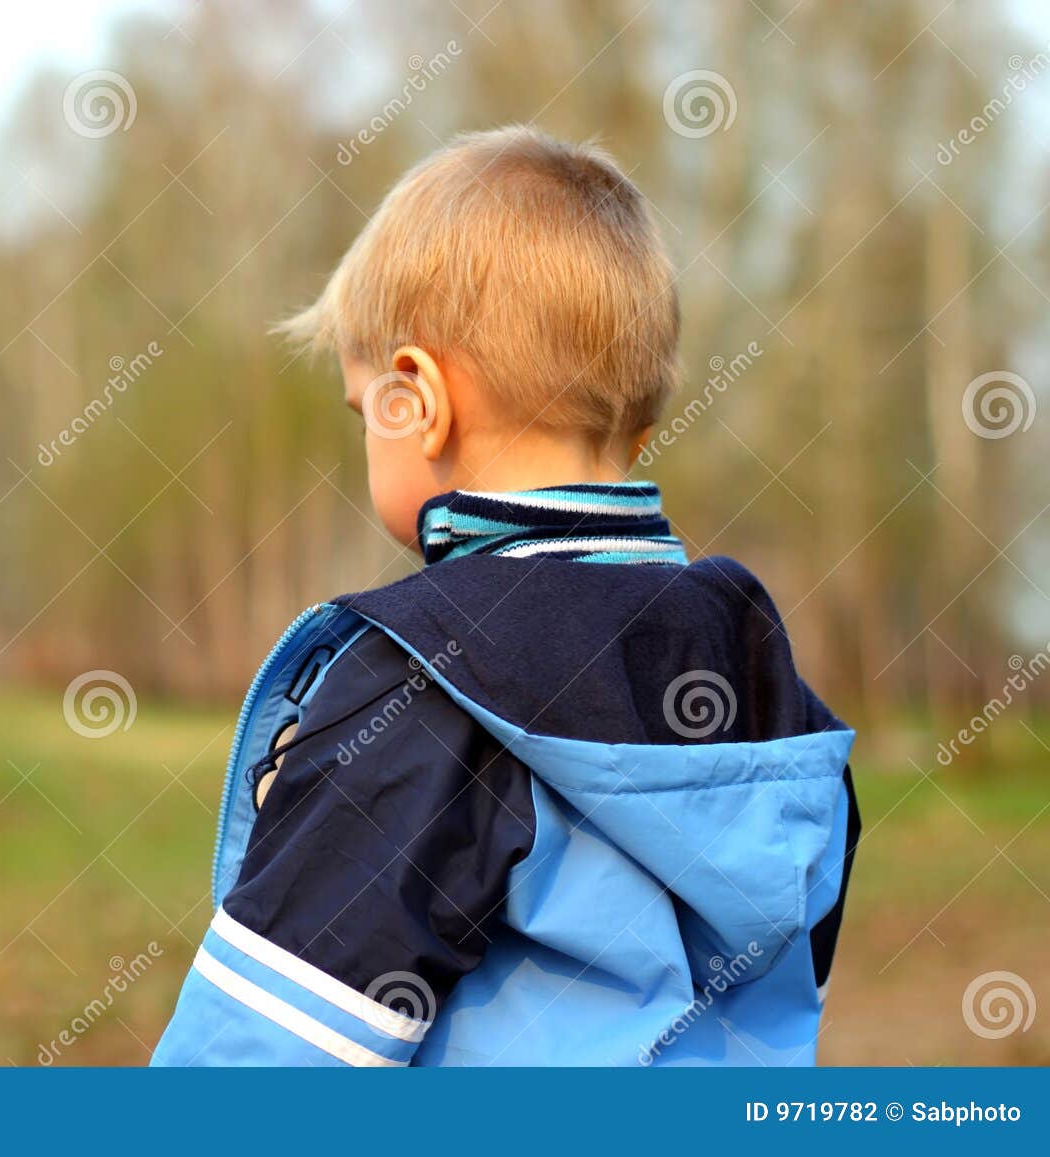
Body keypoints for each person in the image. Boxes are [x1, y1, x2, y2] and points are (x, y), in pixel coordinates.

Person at [150, 126, 858, 1066]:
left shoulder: (431, 676)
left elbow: (261, 1059)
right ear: (638, 427)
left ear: (419, 400)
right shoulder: (755, 665)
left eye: (364, 412)